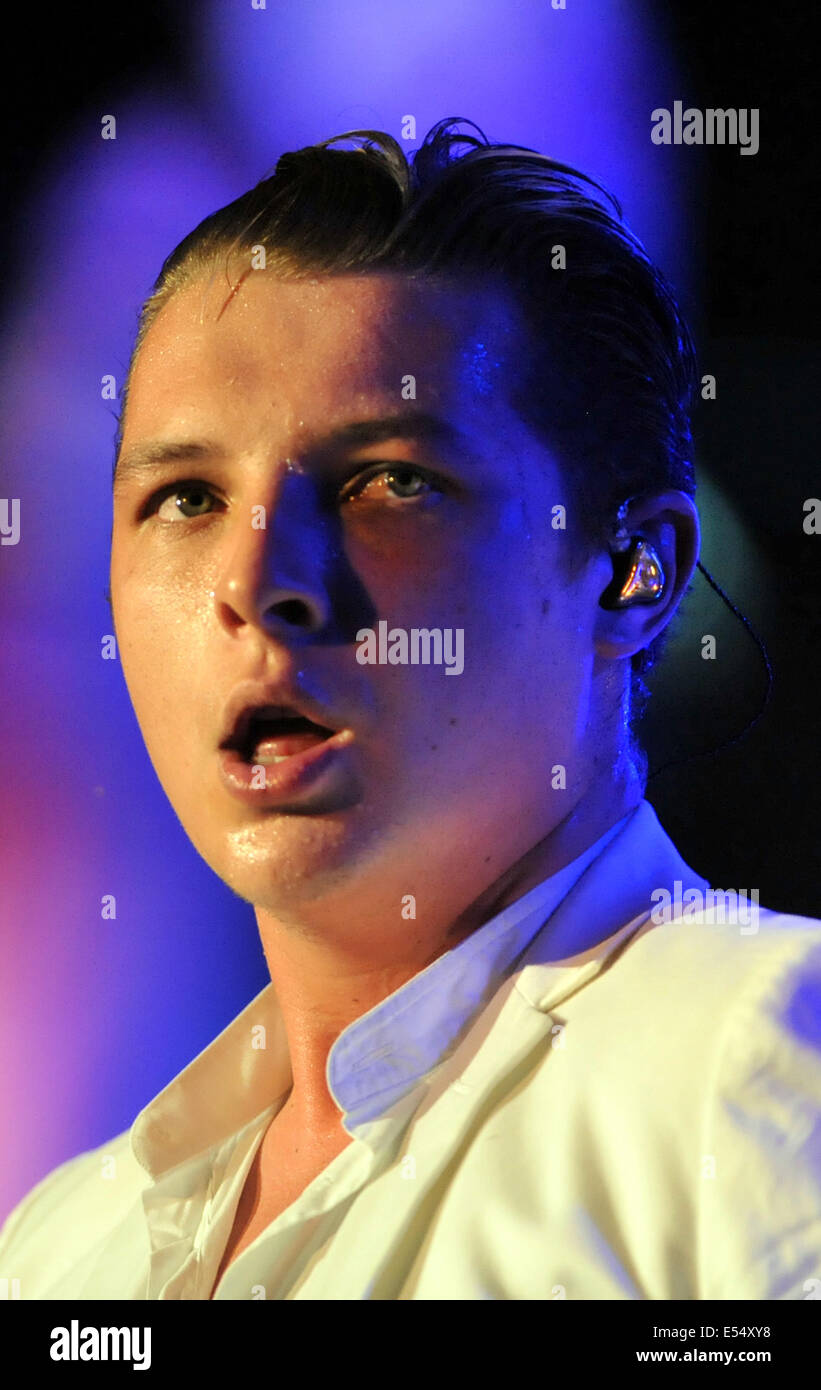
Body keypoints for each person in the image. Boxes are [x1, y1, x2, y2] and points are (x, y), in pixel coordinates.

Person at [1, 118, 819, 1301]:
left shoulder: (756, 1063)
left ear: (630, 565)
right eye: (185, 496)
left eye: (387, 482)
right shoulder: (69, 1243)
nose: (254, 579)